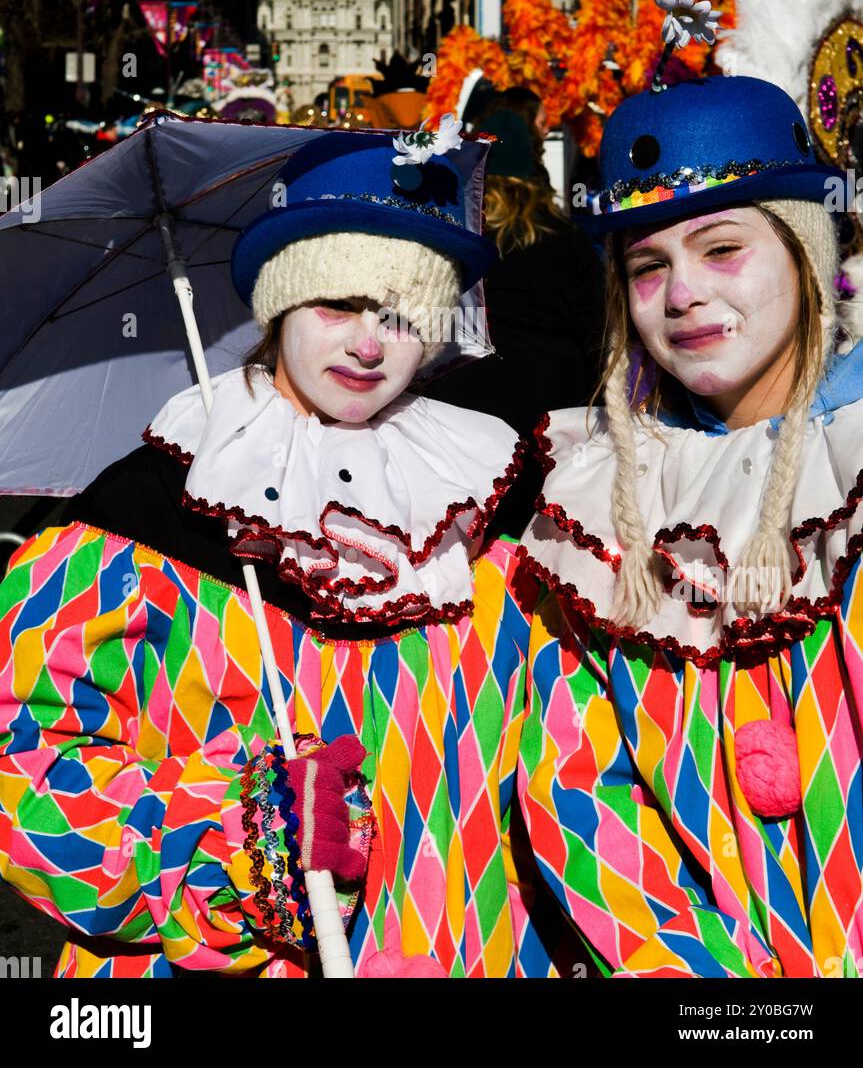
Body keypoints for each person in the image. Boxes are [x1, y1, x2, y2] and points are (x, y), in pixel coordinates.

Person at [0, 127, 558, 978]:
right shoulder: (140, 511)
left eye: (403, 316)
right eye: (336, 304)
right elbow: (26, 766)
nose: (368, 347)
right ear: (281, 302)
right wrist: (236, 833)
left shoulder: (491, 491)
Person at [513, 67, 863, 978]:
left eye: (720, 249)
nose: (681, 296)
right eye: (647, 267)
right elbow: (579, 794)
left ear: (804, 253)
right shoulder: (594, 508)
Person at [433, 107, 606, 534]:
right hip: (551, 396)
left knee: (468, 520)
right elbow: (598, 331)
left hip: (466, 392)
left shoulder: (459, 235)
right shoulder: (566, 238)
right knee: (539, 525)